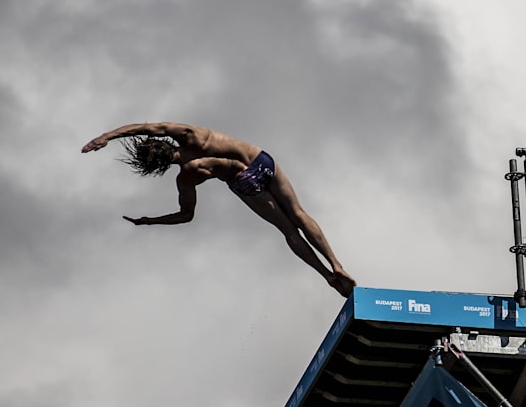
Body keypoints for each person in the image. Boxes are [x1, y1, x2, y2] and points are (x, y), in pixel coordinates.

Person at [82, 122, 356, 297]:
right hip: (259, 159)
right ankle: (337, 264)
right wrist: (108, 136)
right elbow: (148, 127)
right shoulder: (194, 136)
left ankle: (327, 276)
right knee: (298, 213)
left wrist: (150, 221)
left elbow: (186, 215)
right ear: (165, 144)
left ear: (159, 168)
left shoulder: (187, 176)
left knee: (288, 231)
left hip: (245, 183)